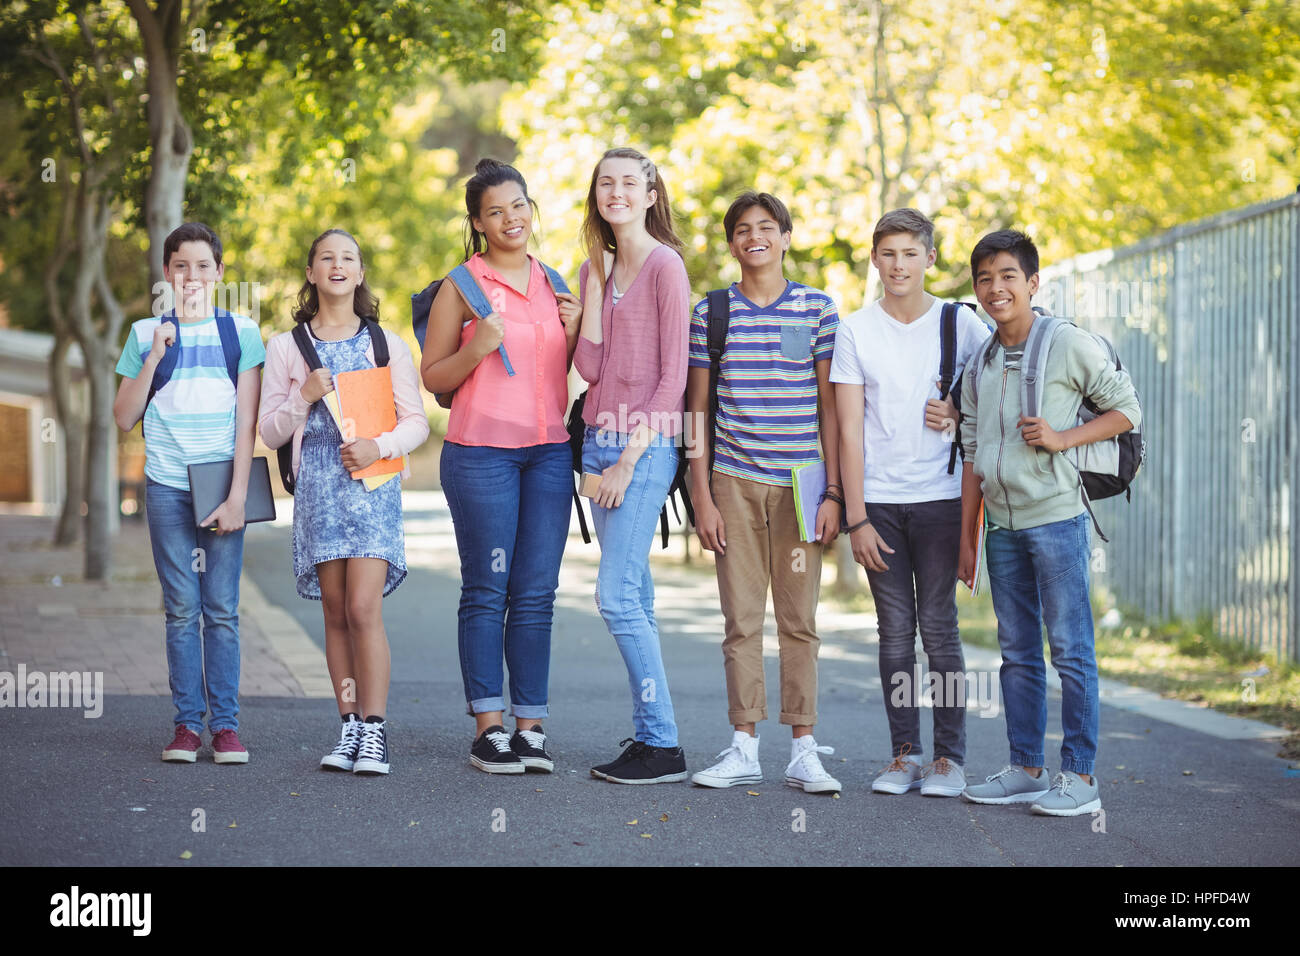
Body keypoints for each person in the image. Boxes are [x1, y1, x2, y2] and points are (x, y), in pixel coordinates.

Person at [957, 229, 1139, 816]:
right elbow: (969, 447)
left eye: (1008, 275)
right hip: (1002, 529)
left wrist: (1064, 438)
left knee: (1070, 649)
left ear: (1032, 283)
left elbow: (1125, 410)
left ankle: (1081, 779)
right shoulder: (982, 355)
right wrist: (968, 537)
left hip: (1057, 521)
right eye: (985, 278)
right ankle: (1027, 768)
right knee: (1017, 652)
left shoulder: (1067, 343)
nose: (995, 288)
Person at [420, 158, 582, 774]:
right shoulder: (460, 286)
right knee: (488, 588)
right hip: (481, 453)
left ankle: (531, 727)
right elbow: (434, 378)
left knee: (537, 591)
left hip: (547, 454)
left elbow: (579, 369)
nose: (511, 219)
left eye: (519, 205)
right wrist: (477, 347)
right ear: (478, 223)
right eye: (496, 211)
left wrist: (579, 331)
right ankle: (489, 728)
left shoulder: (556, 281)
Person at [686, 191, 845, 794]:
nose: (754, 236)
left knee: (799, 620)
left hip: (802, 487)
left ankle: (804, 748)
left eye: (766, 227)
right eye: (742, 229)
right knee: (740, 619)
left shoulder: (818, 310)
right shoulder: (713, 313)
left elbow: (830, 407)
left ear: (784, 236)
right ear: (732, 243)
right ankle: (743, 744)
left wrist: (833, 493)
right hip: (733, 482)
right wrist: (702, 496)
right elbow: (696, 413)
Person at [831, 208, 991, 797]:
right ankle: (905, 754)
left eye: (910, 253)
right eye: (888, 253)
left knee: (940, 630)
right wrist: (857, 516)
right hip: (881, 505)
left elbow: (989, 403)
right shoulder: (855, 330)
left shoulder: (961, 324)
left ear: (930, 258)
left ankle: (949, 759)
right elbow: (848, 430)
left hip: (944, 499)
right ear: (874, 259)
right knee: (894, 632)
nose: (899, 265)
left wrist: (956, 411)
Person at [260, 228, 429, 776]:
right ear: (311, 273)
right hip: (319, 494)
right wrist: (301, 397)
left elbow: (417, 423)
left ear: (359, 274)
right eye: (326, 258)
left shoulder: (387, 344)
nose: (337, 265)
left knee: (363, 608)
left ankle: (375, 732)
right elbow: (269, 431)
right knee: (334, 612)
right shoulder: (286, 348)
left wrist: (378, 446)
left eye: (348, 258)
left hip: (372, 489)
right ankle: (348, 727)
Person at [113, 222, 265, 764]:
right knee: (181, 610)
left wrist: (238, 498)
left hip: (220, 487)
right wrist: (154, 355)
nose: (193, 276)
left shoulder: (240, 332)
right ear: (167, 273)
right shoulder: (141, 334)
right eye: (182, 266)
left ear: (220, 272)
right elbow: (124, 417)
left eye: (204, 266)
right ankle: (186, 727)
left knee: (221, 610)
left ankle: (225, 727)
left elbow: (247, 421)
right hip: (168, 488)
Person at [574, 147, 691, 785]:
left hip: (638, 449)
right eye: (605, 183)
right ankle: (655, 738)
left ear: (650, 194)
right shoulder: (600, 268)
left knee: (615, 597)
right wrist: (594, 281)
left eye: (628, 182)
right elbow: (589, 368)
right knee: (636, 596)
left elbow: (672, 380)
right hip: (595, 442)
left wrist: (627, 461)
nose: (615, 191)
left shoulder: (665, 267)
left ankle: (664, 743)